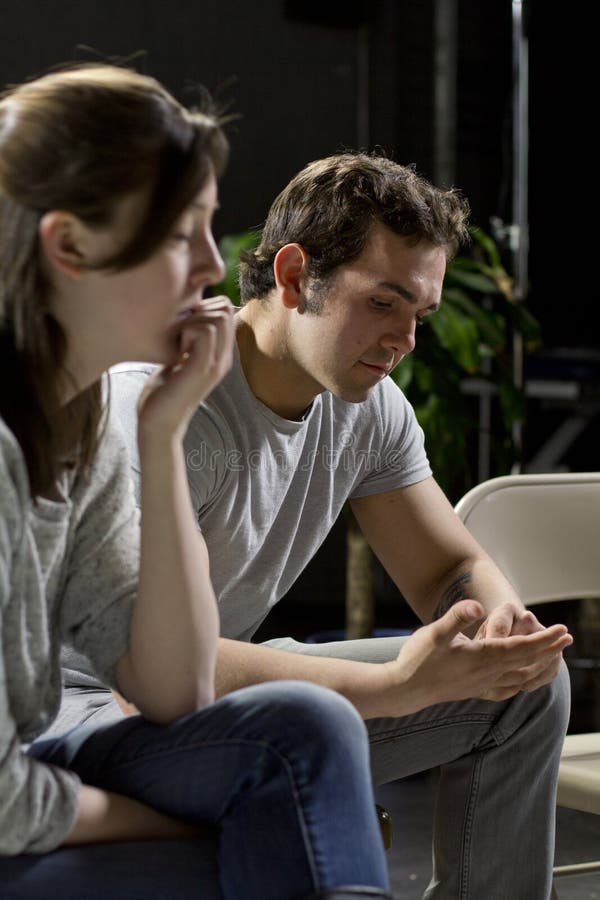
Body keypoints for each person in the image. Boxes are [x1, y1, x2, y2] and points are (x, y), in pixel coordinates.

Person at [67, 153, 570, 899]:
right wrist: (397, 685)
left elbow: (444, 569)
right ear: (297, 277)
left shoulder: (367, 404)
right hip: (89, 718)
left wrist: (502, 627)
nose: (404, 339)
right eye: (383, 303)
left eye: (418, 316)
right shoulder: (160, 402)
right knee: (302, 721)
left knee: (526, 687)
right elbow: (152, 667)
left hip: (202, 700)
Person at [0, 67, 396, 900]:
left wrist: (162, 433)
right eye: (185, 235)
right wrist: (178, 821)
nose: (215, 266)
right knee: (254, 820)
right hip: (17, 795)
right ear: (70, 245)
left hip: (36, 770)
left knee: (303, 730)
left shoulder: (84, 421)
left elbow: (173, 689)